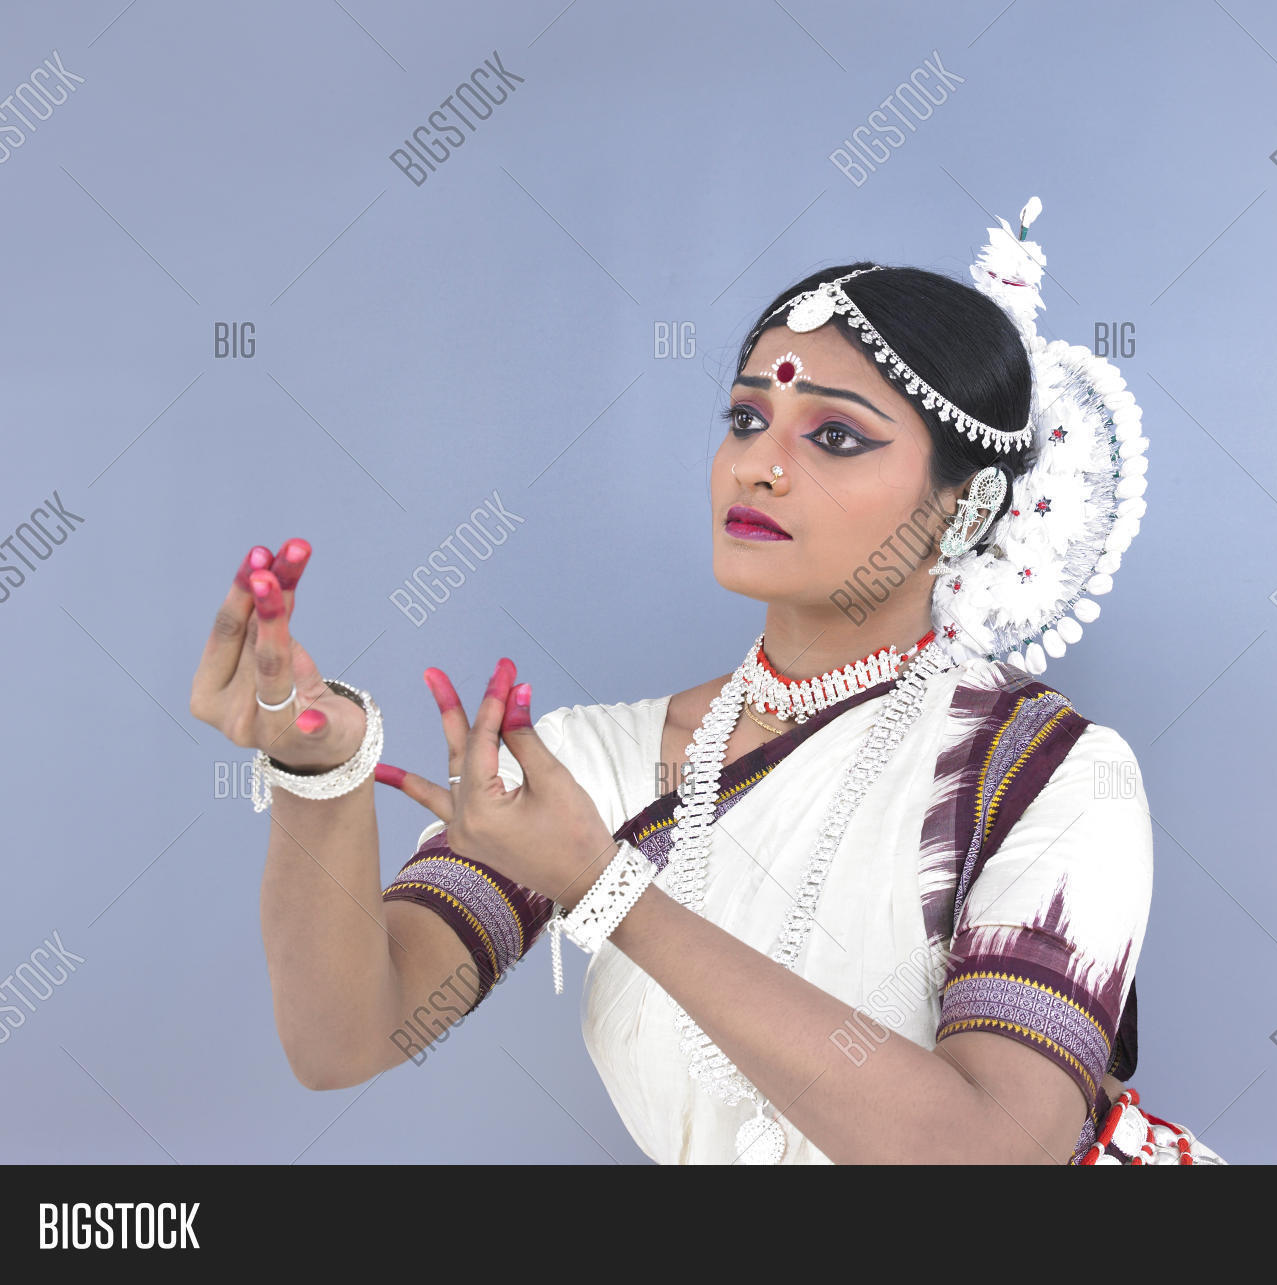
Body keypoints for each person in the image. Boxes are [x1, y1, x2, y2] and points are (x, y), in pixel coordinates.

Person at [190, 200, 1223, 1165]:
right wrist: (315, 773)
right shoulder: (603, 765)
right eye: (743, 420)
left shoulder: (1047, 773)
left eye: (833, 435)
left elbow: (995, 1152)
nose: (758, 466)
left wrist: (609, 890)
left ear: (967, 505)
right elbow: (346, 1038)